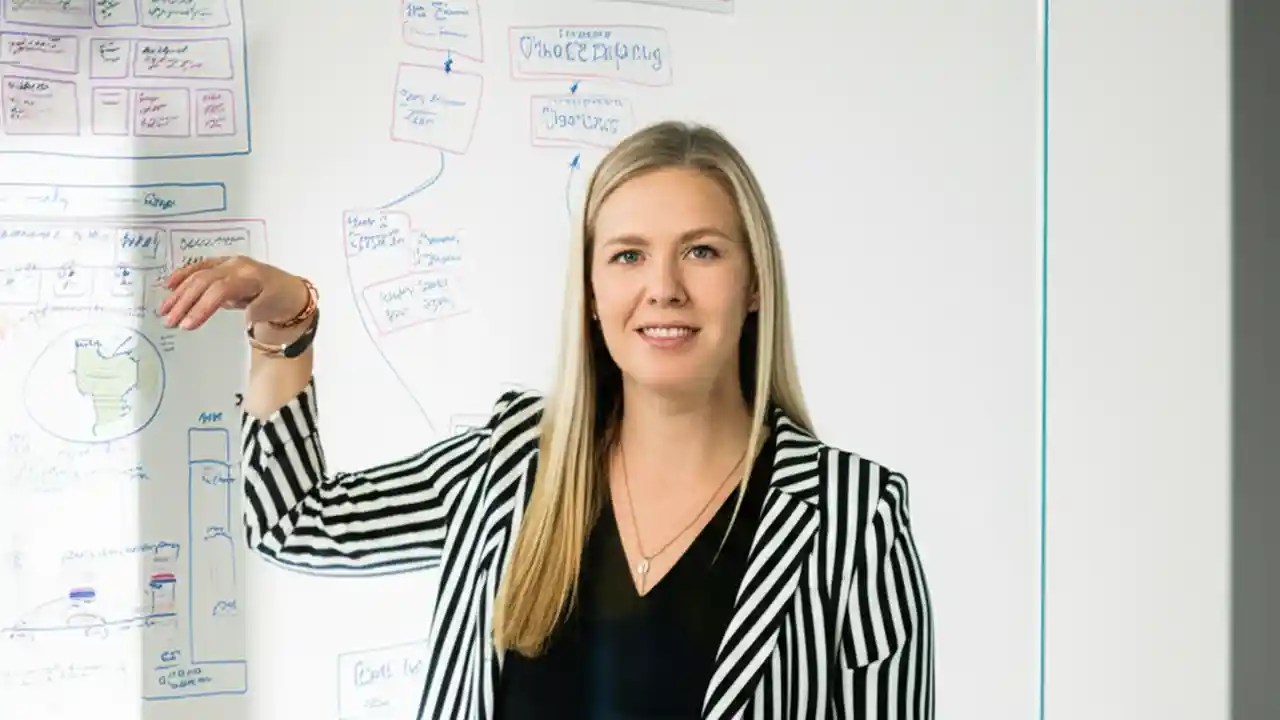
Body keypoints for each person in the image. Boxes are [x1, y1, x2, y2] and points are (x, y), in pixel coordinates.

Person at [159, 121, 935, 719]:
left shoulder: (848, 518)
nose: (662, 288)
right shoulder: (512, 464)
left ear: (755, 283)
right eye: (628, 255)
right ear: (592, 293)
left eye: (701, 252)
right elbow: (296, 523)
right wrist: (284, 326)